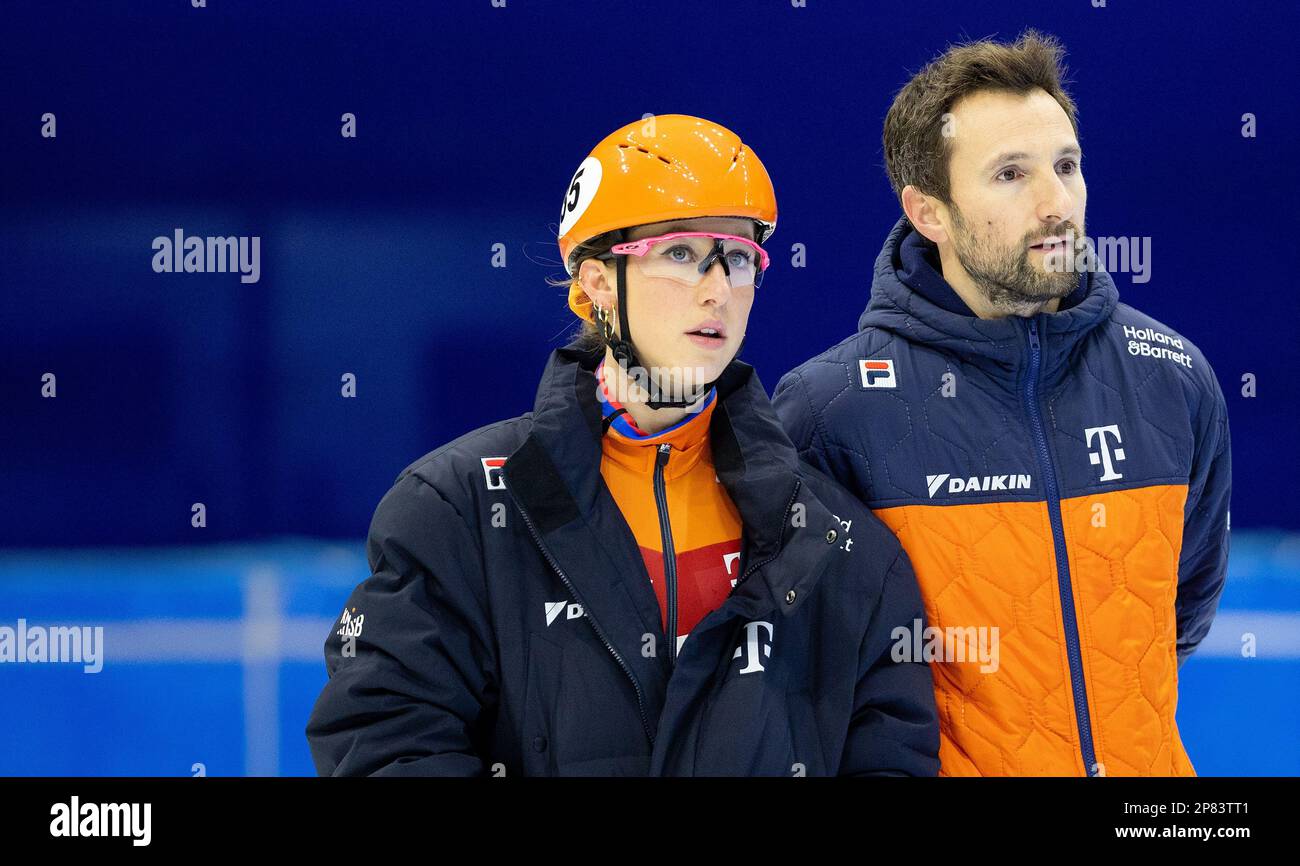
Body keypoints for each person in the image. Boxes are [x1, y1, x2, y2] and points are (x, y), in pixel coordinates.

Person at [305, 114, 939, 776]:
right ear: (596, 283)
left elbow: (890, 757)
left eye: (742, 258)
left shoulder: (838, 542)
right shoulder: (457, 511)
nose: (718, 289)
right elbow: (384, 743)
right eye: (682, 254)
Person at [773, 32, 1231, 776]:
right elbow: (804, 676)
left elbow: (1181, 615)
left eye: (1067, 166)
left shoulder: (1172, 376)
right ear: (929, 212)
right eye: (1011, 174)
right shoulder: (833, 410)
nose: (1056, 204)